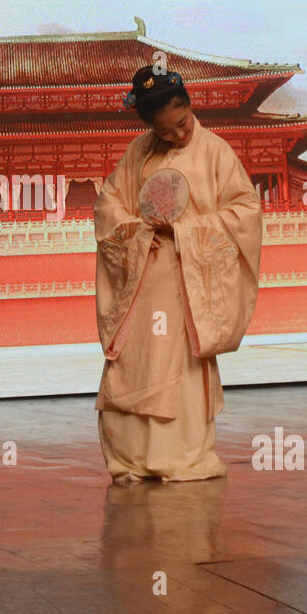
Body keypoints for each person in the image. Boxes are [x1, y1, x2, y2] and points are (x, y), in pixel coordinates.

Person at [93, 64, 262, 482]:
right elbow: (109, 205)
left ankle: (179, 456)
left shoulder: (215, 152)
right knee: (136, 361)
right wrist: (136, 233)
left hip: (190, 279)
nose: (179, 136)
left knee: (176, 364)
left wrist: (186, 231)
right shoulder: (138, 152)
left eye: (182, 124)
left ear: (189, 105)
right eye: (166, 132)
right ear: (150, 126)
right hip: (144, 276)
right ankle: (132, 456)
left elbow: (245, 211)